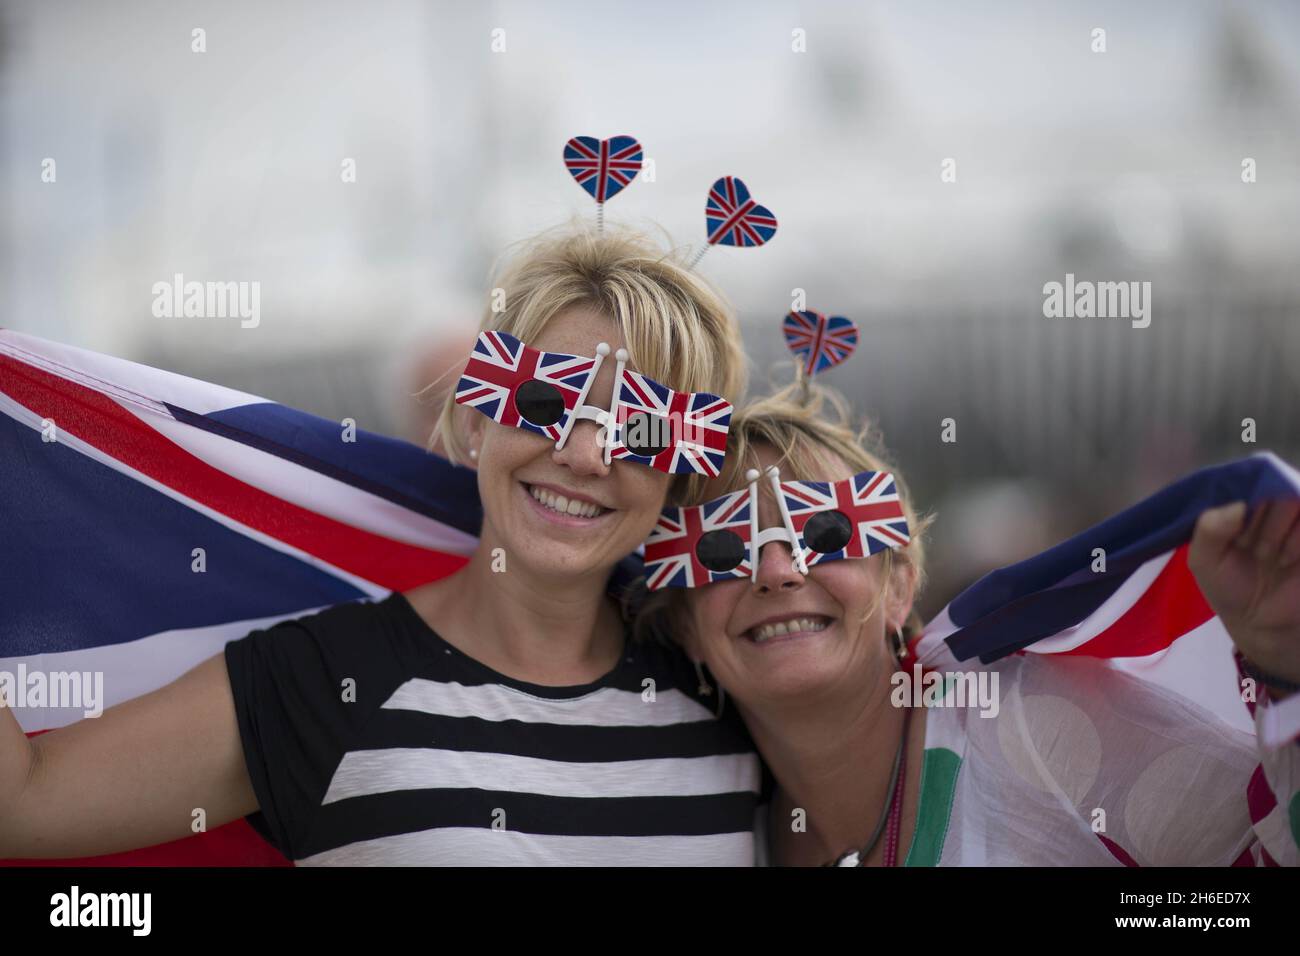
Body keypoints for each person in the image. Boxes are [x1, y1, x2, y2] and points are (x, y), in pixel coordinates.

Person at [0, 221, 763, 866]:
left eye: (643, 430)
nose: (586, 454)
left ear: (682, 476)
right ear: (474, 422)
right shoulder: (323, 679)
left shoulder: (734, 683)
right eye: (544, 402)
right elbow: (26, 800)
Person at [634, 381, 1300, 866]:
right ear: (686, 627)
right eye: (721, 549)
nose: (777, 570)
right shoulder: (715, 828)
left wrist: (1280, 658)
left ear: (898, 588)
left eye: (826, 531)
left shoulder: (1031, 724)